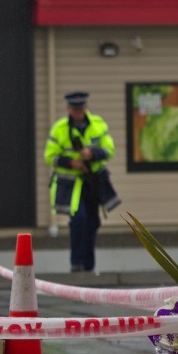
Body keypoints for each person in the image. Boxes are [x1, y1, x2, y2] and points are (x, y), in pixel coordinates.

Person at [44, 91, 119, 273]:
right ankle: (76, 263)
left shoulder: (98, 125)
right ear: (68, 109)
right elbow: (50, 156)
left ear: (85, 107)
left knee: (92, 221)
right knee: (78, 220)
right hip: (70, 185)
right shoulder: (60, 129)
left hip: (93, 182)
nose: (78, 112)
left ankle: (88, 265)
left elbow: (109, 150)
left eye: (81, 108)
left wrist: (91, 154)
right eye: (74, 109)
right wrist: (72, 163)